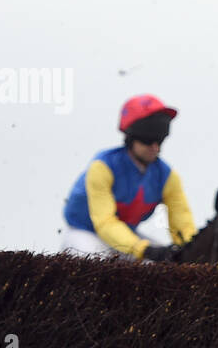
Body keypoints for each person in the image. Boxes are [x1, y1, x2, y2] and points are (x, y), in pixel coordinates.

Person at [60, 94, 196, 261]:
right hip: (84, 233)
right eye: (148, 139)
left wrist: (192, 251)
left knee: (166, 268)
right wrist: (143, 249)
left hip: (125, 235)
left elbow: (182, 223)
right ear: (131, 137)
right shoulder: (102, 167)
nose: (155, 147)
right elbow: (105, 222)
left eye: (160, 139)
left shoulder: (167, 177)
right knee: (96, 265)